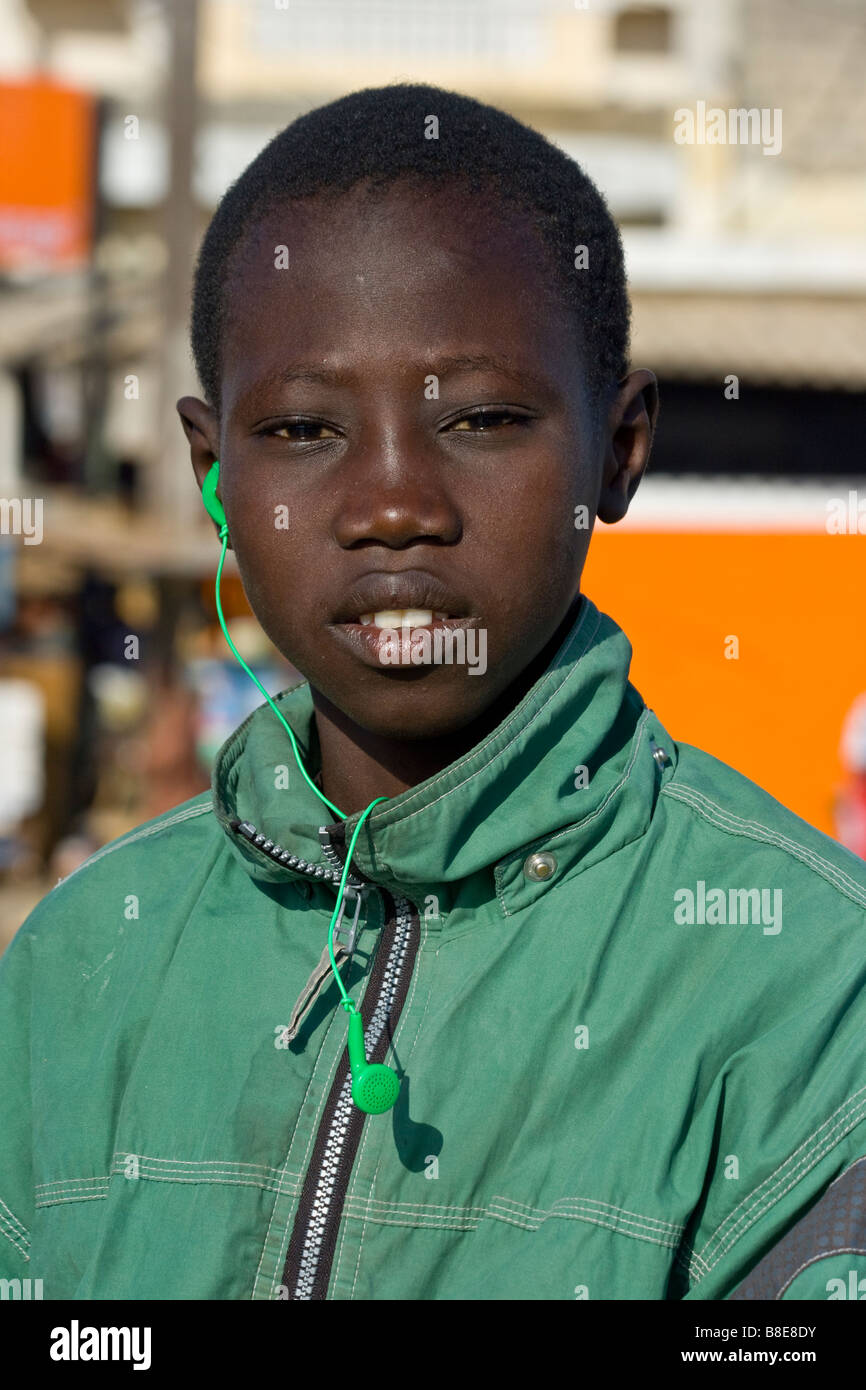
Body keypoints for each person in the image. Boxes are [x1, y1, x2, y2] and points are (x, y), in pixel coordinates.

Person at [1, 83, 865, 1303]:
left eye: (482, 418)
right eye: (303, 430)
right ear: (214, 476)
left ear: (616, 454)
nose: (393, 505)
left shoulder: (815, 984)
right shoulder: (74, 970)